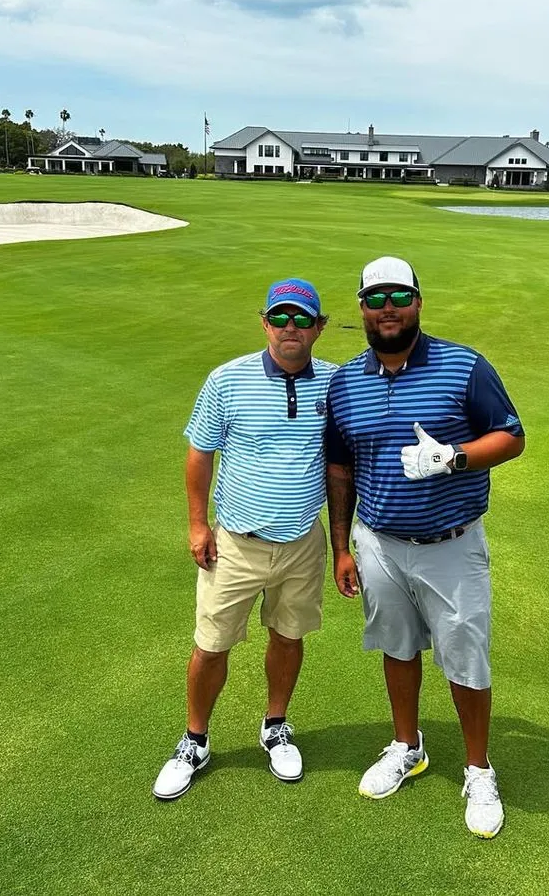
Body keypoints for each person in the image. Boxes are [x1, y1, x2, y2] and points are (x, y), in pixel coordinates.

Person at [325, 256, 525, 838]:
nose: (388, 310)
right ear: (362, 308)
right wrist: (343, 546)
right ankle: (406, 746)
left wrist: (454, 457)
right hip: (379, 542)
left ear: (418, 301)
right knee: (398, 645)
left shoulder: (464, 366)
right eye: (375, 299)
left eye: (398, 297)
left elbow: (511, 436)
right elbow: (340, 469)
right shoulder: (346, 381)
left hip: (451, 543)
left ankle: (478, 768)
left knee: (464, 655)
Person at [153, 278, 337, 800]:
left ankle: (275, 725)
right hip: (235, 540)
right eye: (280, 318)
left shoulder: (336, 382)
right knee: (211, 646)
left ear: (319, 327)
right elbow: (200, 452)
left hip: (303, 541)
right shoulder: (227, 380)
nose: (290, 329)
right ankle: (195, 740)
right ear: (264, 322)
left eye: (302, 319)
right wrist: (196, 523)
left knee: (288, 635)